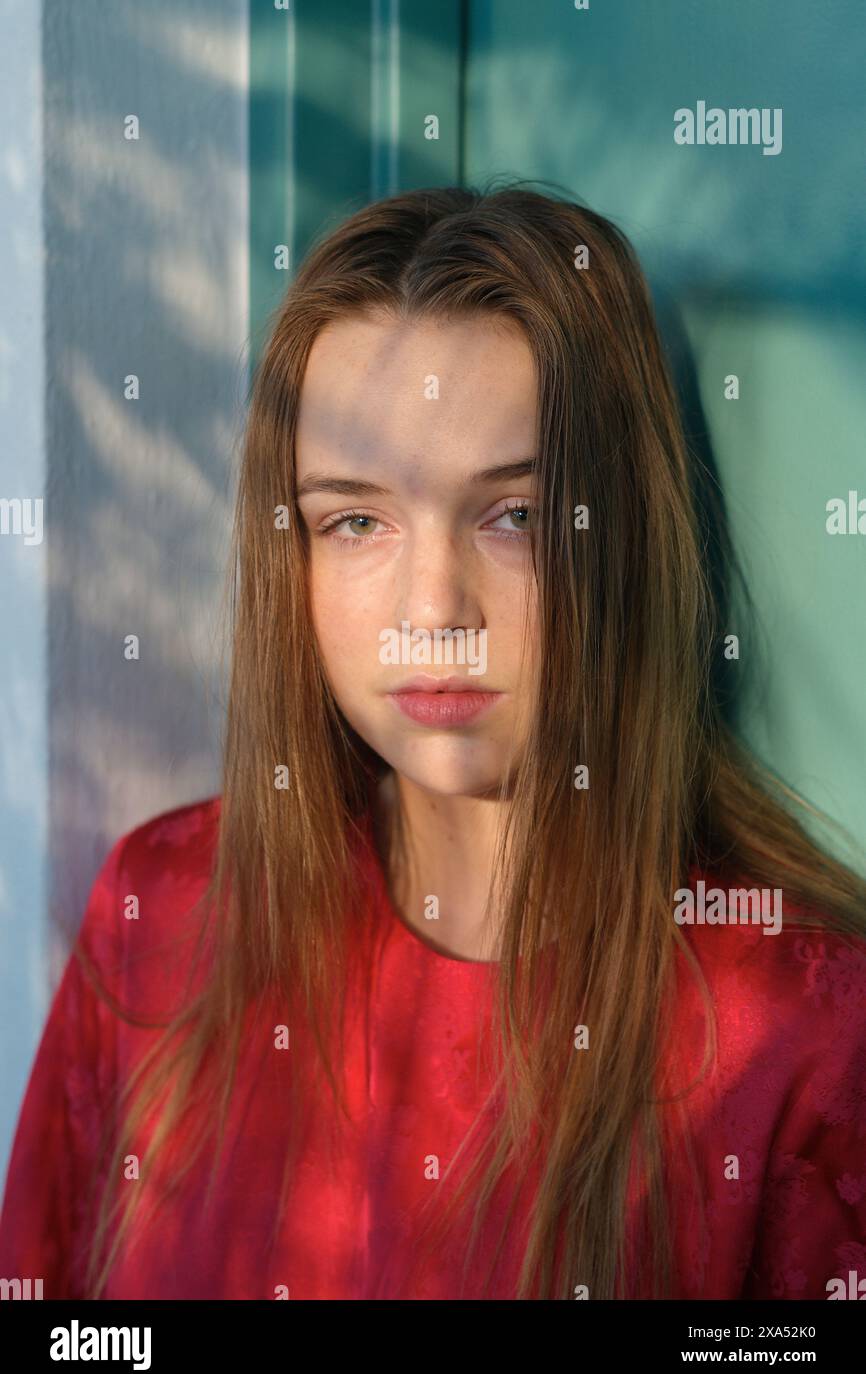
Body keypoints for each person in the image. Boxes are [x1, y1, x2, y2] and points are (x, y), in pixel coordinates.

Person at [2, 183, 866, 1301]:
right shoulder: (163, 911)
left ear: (623, 541)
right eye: (354, 520)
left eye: (514, 515)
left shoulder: (804, 1028)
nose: (431, 608)